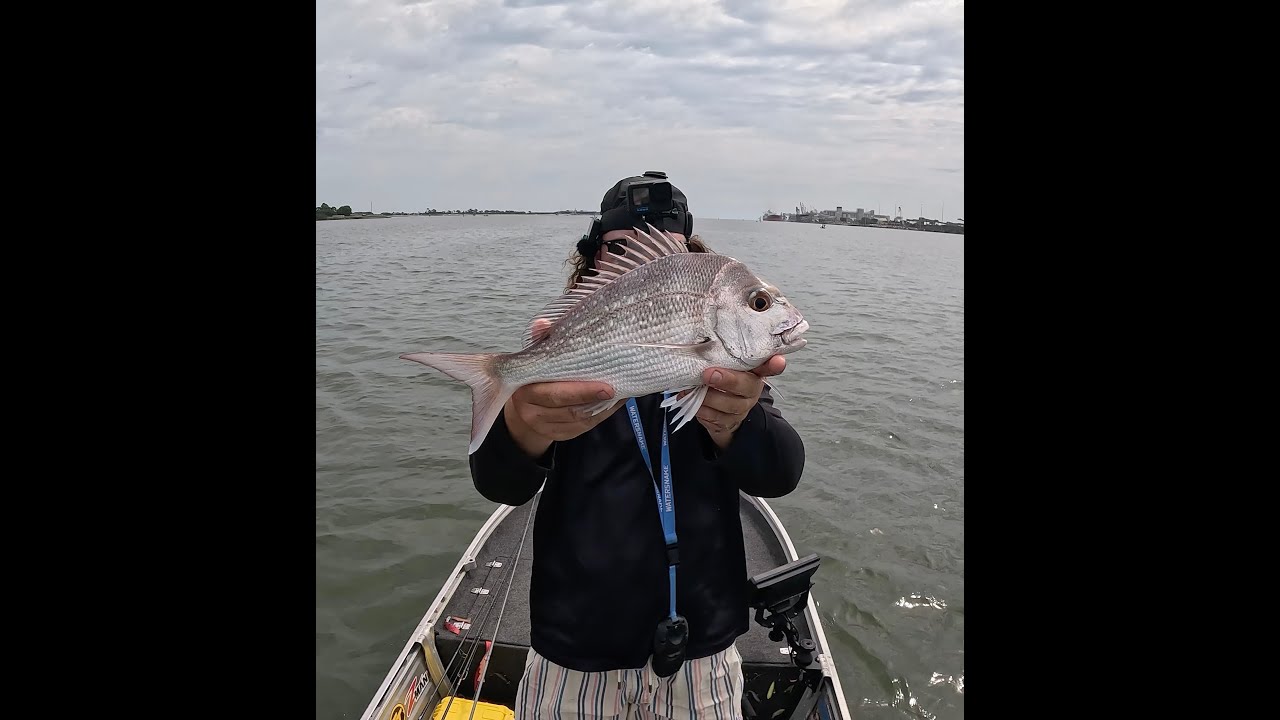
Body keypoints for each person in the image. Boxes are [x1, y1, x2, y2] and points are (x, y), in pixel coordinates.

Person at [469, 171, 805, 720]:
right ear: (595, 258)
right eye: (625, 249)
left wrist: (736, 423)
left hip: (703, 649)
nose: (646, 267)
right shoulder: (572, 349)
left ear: (688, 256)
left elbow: (781, 473)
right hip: (574, 651)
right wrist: (520, 428)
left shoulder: (726, 365)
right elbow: (499, 484)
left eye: (665, 251)